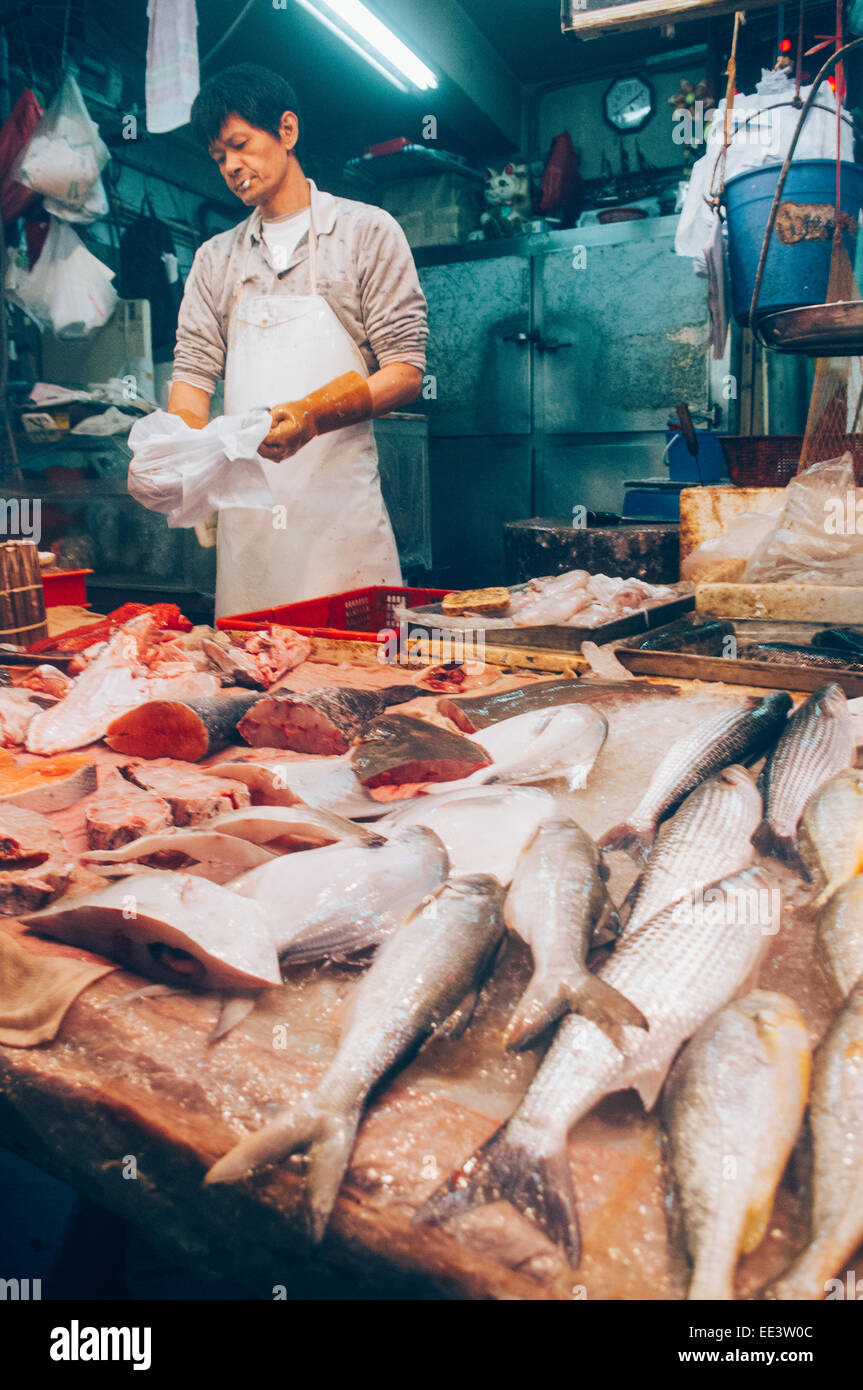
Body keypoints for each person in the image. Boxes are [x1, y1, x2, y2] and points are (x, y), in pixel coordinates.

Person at [168, 63, 428, 617]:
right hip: (251, 528)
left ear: (286, 131)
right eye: (219, 159)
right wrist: (182, 457)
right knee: (257, 691)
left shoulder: (366, 232)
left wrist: (312, 413)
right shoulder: (214, 260)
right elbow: (192, 376)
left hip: (343, 525)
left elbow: (405, 371)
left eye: (240, 145)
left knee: (361, 689)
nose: (232, 167)